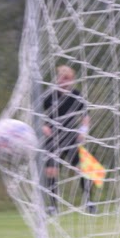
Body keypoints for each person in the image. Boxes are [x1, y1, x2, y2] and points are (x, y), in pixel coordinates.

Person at [39, 63, 86, 211]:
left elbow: (85, 115)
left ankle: (89, 202)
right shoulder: (49, 95)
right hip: (52, 137)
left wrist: (83, 130)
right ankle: (53, 206)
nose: (64, 81)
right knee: (51, 171)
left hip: (71, 136)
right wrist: (43, 126)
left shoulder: (76, 95)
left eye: (67, 79)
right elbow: (36, 113)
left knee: (82, 168)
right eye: (61, 78)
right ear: (57, 79)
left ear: (72, 80)